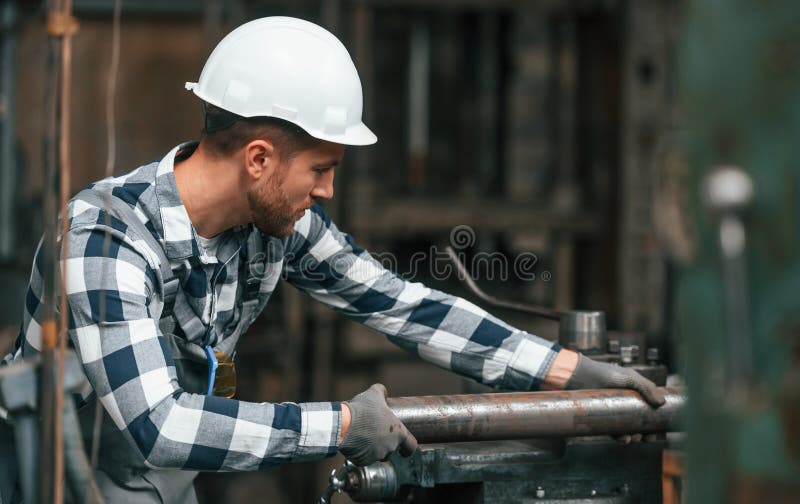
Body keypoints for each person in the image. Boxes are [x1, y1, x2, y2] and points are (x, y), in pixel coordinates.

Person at [1, 16, 664, 503]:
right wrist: (344, 425)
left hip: (160, 489)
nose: (328, 191)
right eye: (320, 168)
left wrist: (564, 370)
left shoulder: (275, 228)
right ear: (258, 158)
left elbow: (402, 305)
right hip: (44, 482)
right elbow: (162, 426)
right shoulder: (106, 238)